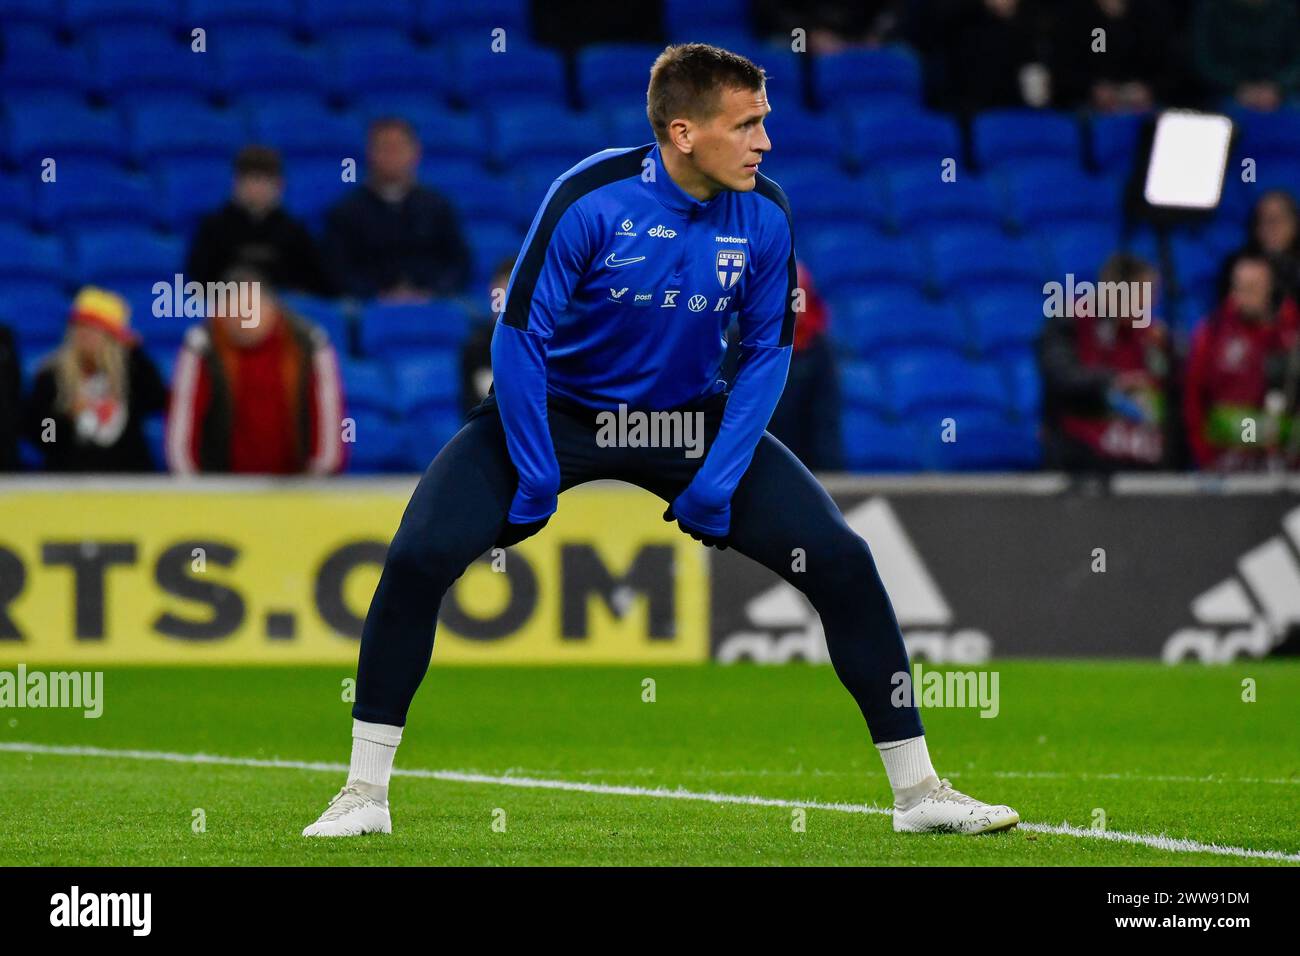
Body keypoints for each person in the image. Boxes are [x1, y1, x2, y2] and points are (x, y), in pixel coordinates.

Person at [303, 43, 1019, 838]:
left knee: (844, 562)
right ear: (683, 132)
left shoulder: (767, 211)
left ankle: (919, 795)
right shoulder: (589, 197)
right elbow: (517, 339)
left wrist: (719, 474)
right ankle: (363, 797)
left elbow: (767, 354)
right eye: (746, 124)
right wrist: (536, 468)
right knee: (414, 560)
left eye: (764, 123)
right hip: (557, 413)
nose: (764, 142)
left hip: (686, 418)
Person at [165, 266, 347, 475]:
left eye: (250, 310)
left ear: (271, 309)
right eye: (232, 312)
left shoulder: (310, 344)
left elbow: (330, 418)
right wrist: (191, 483)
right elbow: (181, 426)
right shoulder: (201, 346)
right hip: (219, 486)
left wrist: (318, 476)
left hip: (296, 485)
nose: (242, 320)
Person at [1038, 253, 1172, 471]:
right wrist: (1115, 381)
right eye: (1145, 292)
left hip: (1142, 460)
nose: (1151, 301)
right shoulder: (1071, 320)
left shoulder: (1151, 336)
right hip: (1083, 456)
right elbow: (1061, 376)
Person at [322, 118, 471, 301]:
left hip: (432, 300)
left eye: (399, 148)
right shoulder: (347, 211)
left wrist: (432, 293)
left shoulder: (438, 206)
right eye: (385, 148)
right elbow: (337, 270)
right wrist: (376, 295)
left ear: (416, 153)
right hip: (368, 304)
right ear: (370, 154)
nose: (392, 155)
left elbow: (459, 263)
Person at [23, 287, 167, 472]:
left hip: (128, 479)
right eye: (80, 328)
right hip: (67, 479)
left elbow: (157, 401)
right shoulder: (52, 375)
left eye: (94, 330)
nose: (85, 336)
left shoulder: (132, 371)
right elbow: (43, 437)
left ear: (111, 338)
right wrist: (63, 418)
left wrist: (137, 352)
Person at [1184, 252, 1300, 470]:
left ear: (1271, 289)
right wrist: (1205, 458)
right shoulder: (1212, 333)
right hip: (1224, 462)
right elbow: (1193, 398)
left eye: (1254, 287)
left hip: (1284, 465)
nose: (1245, 295)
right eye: (1240, 287)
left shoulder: (1291, 335)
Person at [185, 145, 332, 296]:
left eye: (265, 181)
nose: (257, 189)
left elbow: (318, 284)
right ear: (236, 184)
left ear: (279, 186)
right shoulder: (213, 228)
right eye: (252, 180)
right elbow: (199, 283)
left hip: (284, 312)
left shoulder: (295, 231)